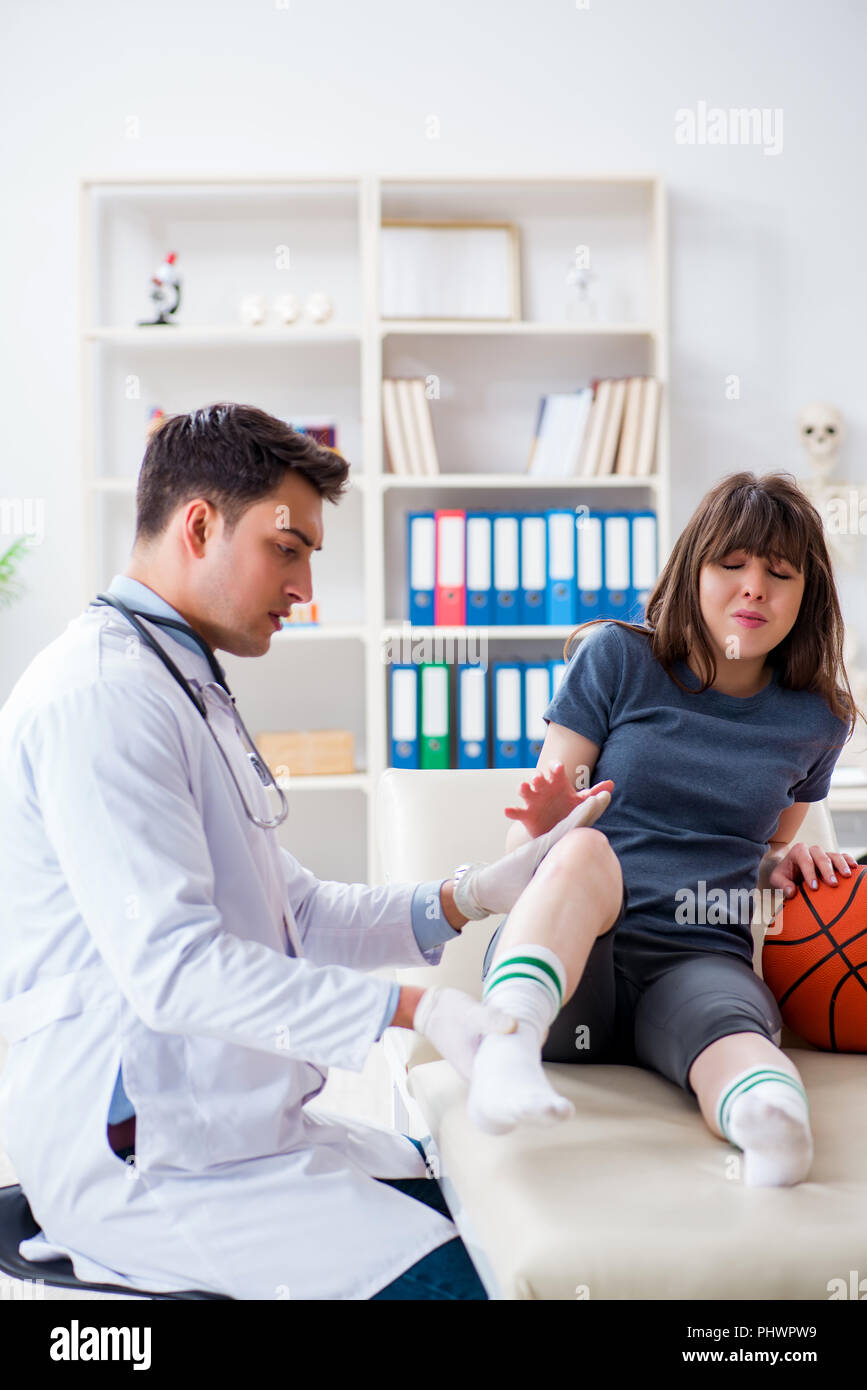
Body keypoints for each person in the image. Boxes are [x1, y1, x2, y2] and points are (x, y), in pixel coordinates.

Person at [0, 401, 610, 1302]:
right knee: (474, 1288)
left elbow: (301, 911)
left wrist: (472, 893)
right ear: (199, 525)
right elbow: (175, 970)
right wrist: (414, 1011)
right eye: (288, 550)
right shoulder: (103, 699)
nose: (303, 587)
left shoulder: (182, 680)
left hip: (244, 1127)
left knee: (487, 1200)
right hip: (157, 1162)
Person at [467, 471, 864, 1188]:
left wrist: (783, 865)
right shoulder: (617, 658)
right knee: (585, 845)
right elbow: (538, 847)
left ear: (806, 598)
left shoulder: (818, 719)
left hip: (695, 955)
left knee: (736, 1031)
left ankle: (770, 1124)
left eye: (779, 573)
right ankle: (504, 1049)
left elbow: (764, 850)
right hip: (573, 947)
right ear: (693, 571)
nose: (753, 589)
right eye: (731, 565)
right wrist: (540, 831)